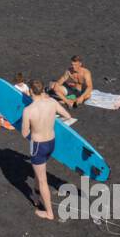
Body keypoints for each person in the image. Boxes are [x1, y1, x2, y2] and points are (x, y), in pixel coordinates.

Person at [21, 80, 75, 220]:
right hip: (51, 143)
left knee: (43, 179)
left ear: (31, 92)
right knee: (38, 172)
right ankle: (36, 194)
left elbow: (24, 133)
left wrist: (34, 130)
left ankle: (49, 213)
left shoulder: (28, 110)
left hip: (38, 146)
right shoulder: (52, 102)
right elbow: (68, 116)